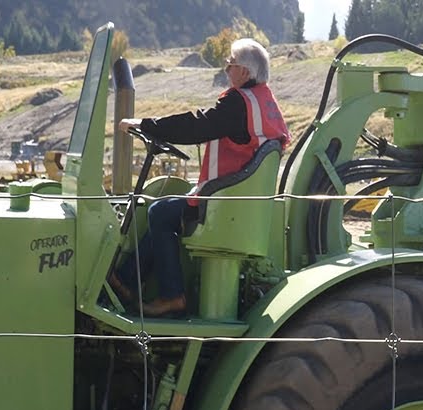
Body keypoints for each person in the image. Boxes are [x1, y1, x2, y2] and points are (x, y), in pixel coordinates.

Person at [111, 38, 291, 316]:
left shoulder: (238, 102)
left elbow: (197, 126)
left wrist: (145, 125)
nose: (227, 70)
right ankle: (125, 280)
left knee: (159, 211)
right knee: (165, 211)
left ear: (244, 71)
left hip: (225, 202)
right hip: (243, 201)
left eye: (230, 64)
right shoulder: (266, 102)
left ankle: (169, 294)